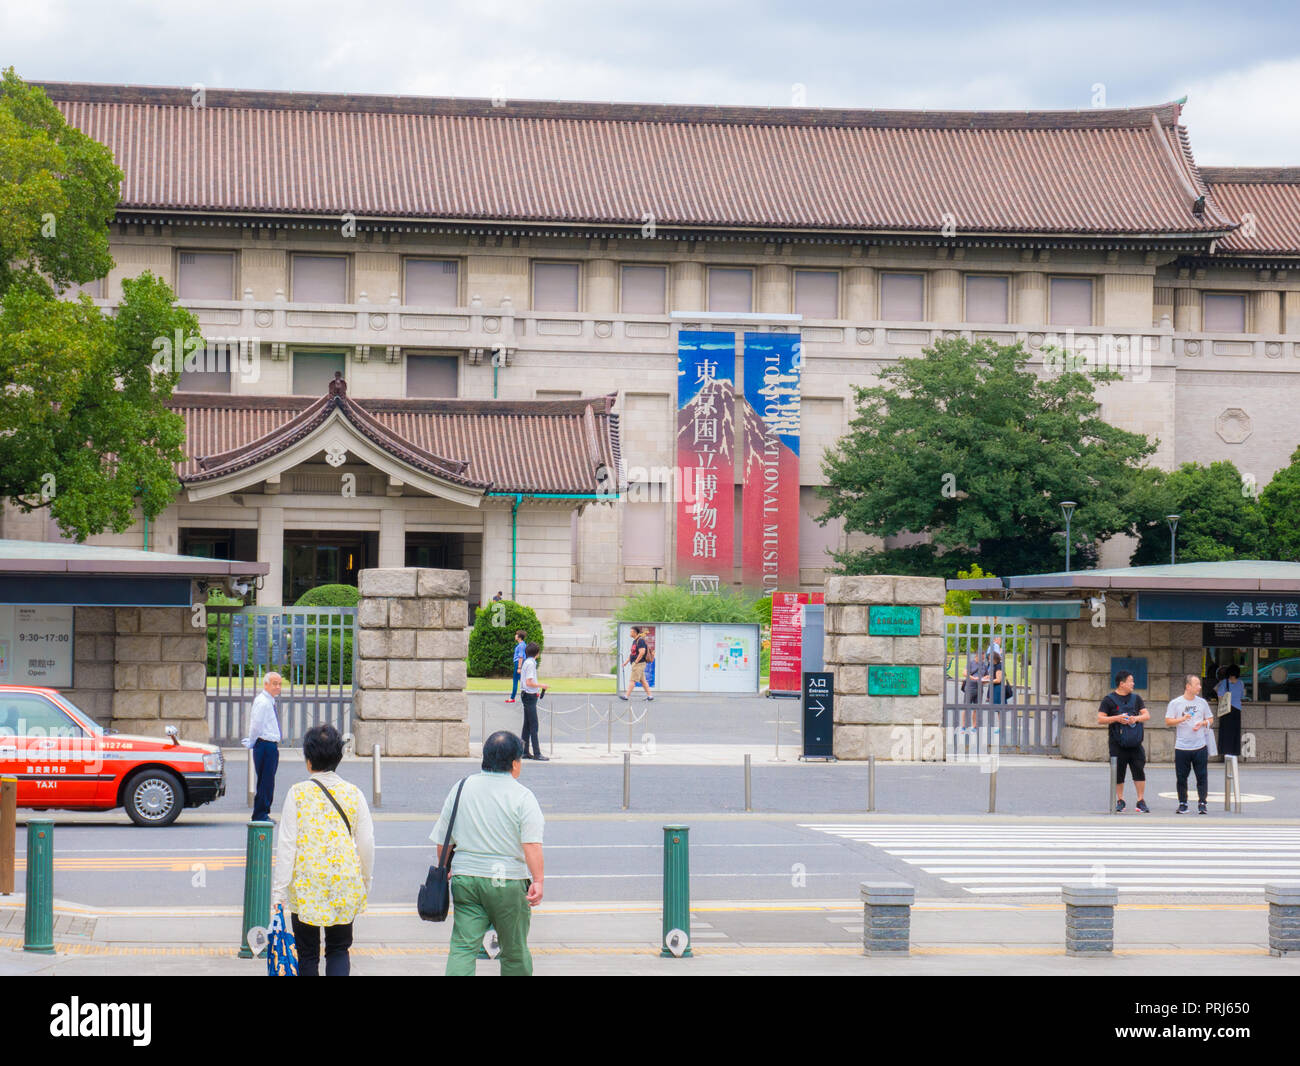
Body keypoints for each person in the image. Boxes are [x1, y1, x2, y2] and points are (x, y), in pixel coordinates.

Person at [432, 731, 545, 976]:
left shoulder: (461, 788)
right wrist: (537, 880)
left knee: (463, 947)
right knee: (514, 950)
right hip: (508, 882)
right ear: (515, 763)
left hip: (466, 879)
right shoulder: (523, 797)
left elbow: (444, 838)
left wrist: (445, 866)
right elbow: (531, 845)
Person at [272, 724, 374, 976]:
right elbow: (366, 842)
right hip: (344, 880)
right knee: (339, 949)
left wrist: (279, 893)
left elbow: (287, 845)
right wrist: (365, 879)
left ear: (308, 761)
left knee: (307, 953)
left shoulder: (297, 793)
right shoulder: (354, 793)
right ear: (339, 757)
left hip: (306, 884)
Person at [1098, 670, 1150, 813]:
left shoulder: (1136, 698)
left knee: (1139, 770)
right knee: (1118, 772)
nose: (1133, 683)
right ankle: (1120, 800)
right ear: (1122, 684)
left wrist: (1136, 718)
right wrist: (1117, 718)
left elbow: (1146, 715)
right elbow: (1100, 719)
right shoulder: (1108, 700)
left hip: (1135, 743)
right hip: (1117, 743)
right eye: (1130, 681)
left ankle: (1140, 800)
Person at [1166, 674, 1213, 814]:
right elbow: (1168, 721)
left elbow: (1211, 719)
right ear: (1188, 686)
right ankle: (1183, 803)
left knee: (1202, 776)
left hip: (1200, 745)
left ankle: (1202, 803)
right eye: (1196, 684)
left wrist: (1203, 723)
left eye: (1199, 684)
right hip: (1182, 746)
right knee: (1181, 777)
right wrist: (1181, 719)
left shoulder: (1202, 702)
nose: (1199, 687)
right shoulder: (1175, 703)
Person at [242, 671, 282, 822]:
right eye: (274, 684)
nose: (277, 687)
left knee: (267, 780)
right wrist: (252, 741)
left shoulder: (269, 700)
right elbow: (256, 725)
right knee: (266, 781)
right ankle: (260, 814)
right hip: (265, 745)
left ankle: (263, 812)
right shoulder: (263, 702)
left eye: (279, 684)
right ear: (266, 684)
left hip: (268, 745)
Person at [519, 641, 548, 761]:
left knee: (527, 724)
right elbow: (529, 682)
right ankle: (537, 753)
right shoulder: (531, 664)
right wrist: (542, 685)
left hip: (527, 695)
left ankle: (524, 751)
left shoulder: (527, 662)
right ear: (537, 653)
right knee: (534, 725)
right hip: (529, 696)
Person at [1214, 663, 1244, 758]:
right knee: (1235, 732)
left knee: (1225, 732)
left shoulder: (1224, 682)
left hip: (1227, 710)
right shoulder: (1241, 683)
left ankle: (1226, 751)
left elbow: (1220, 696)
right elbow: (1242, 696)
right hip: (1237, 710)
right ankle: (1234, 752)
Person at [620, 626, 654, 702]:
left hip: (639, 664)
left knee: (632, 680)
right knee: (643, 681)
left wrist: (635, 662)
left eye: (631, 631)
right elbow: (632, 653)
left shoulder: (640, 640)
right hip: (637, 664)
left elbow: (642, 652)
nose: (630, 633)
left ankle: (626, 696)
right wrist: (626, 662)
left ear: (635, 633)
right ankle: (650, 696)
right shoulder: (634, 641)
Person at [961, 648, 985, 731]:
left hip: (980, 688)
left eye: (983, 657)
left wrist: (985, 678)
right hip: (970, 687)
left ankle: (974, 726)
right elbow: (964, 673)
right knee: (966, 707)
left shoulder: (984, 665)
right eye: (982, 657)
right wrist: (973, 678)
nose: (983, 659)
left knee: (976, 708)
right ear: (977, 656)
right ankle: (963, 726)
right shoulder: (970, 663)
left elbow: (986, 676)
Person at [506, 629, 527, 704]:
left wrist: (519, 667)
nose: (515, 636)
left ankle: (512, 698)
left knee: (516, 680)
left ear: (519, 637)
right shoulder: (522, 644)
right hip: (519, 663)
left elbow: (521, 657)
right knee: (522, 680)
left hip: (518, 663)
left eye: (516, 634)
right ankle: (534, 691)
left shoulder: (521, 645)